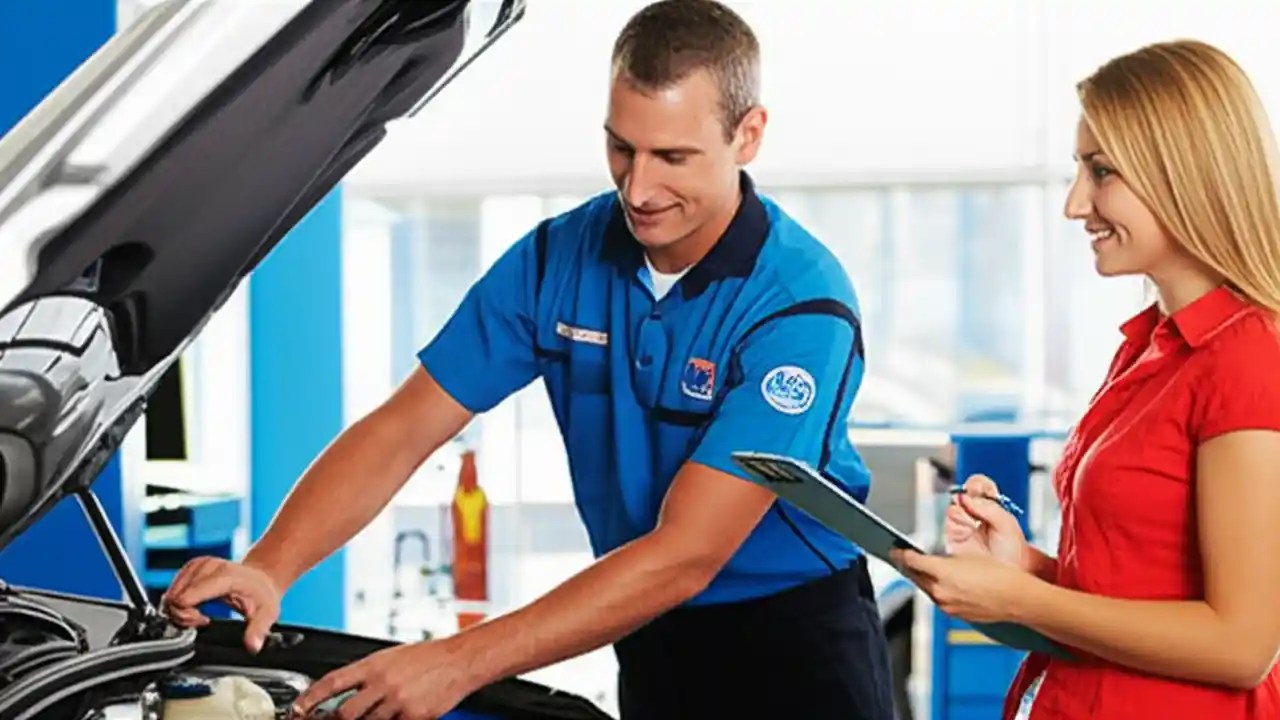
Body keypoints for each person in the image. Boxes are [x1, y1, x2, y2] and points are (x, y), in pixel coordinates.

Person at [162, 1, 896, 718]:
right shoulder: (556, 260)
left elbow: (688, 553)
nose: (637, 190)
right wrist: (270, 564)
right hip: (644, 631)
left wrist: (457, 662)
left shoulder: (800, 306)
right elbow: (405, 427)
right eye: (621, 148)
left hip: (795, 645)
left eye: (673, 157)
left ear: (749, 135)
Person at [892, 39, 1280, 719]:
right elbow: (1135, 586)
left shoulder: (1249, 359)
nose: (1075, 204)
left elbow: (1243, 644)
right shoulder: (1153, 346)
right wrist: (1025, 566)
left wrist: (1018, 599)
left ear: (1182, 174)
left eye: (1100, 172)